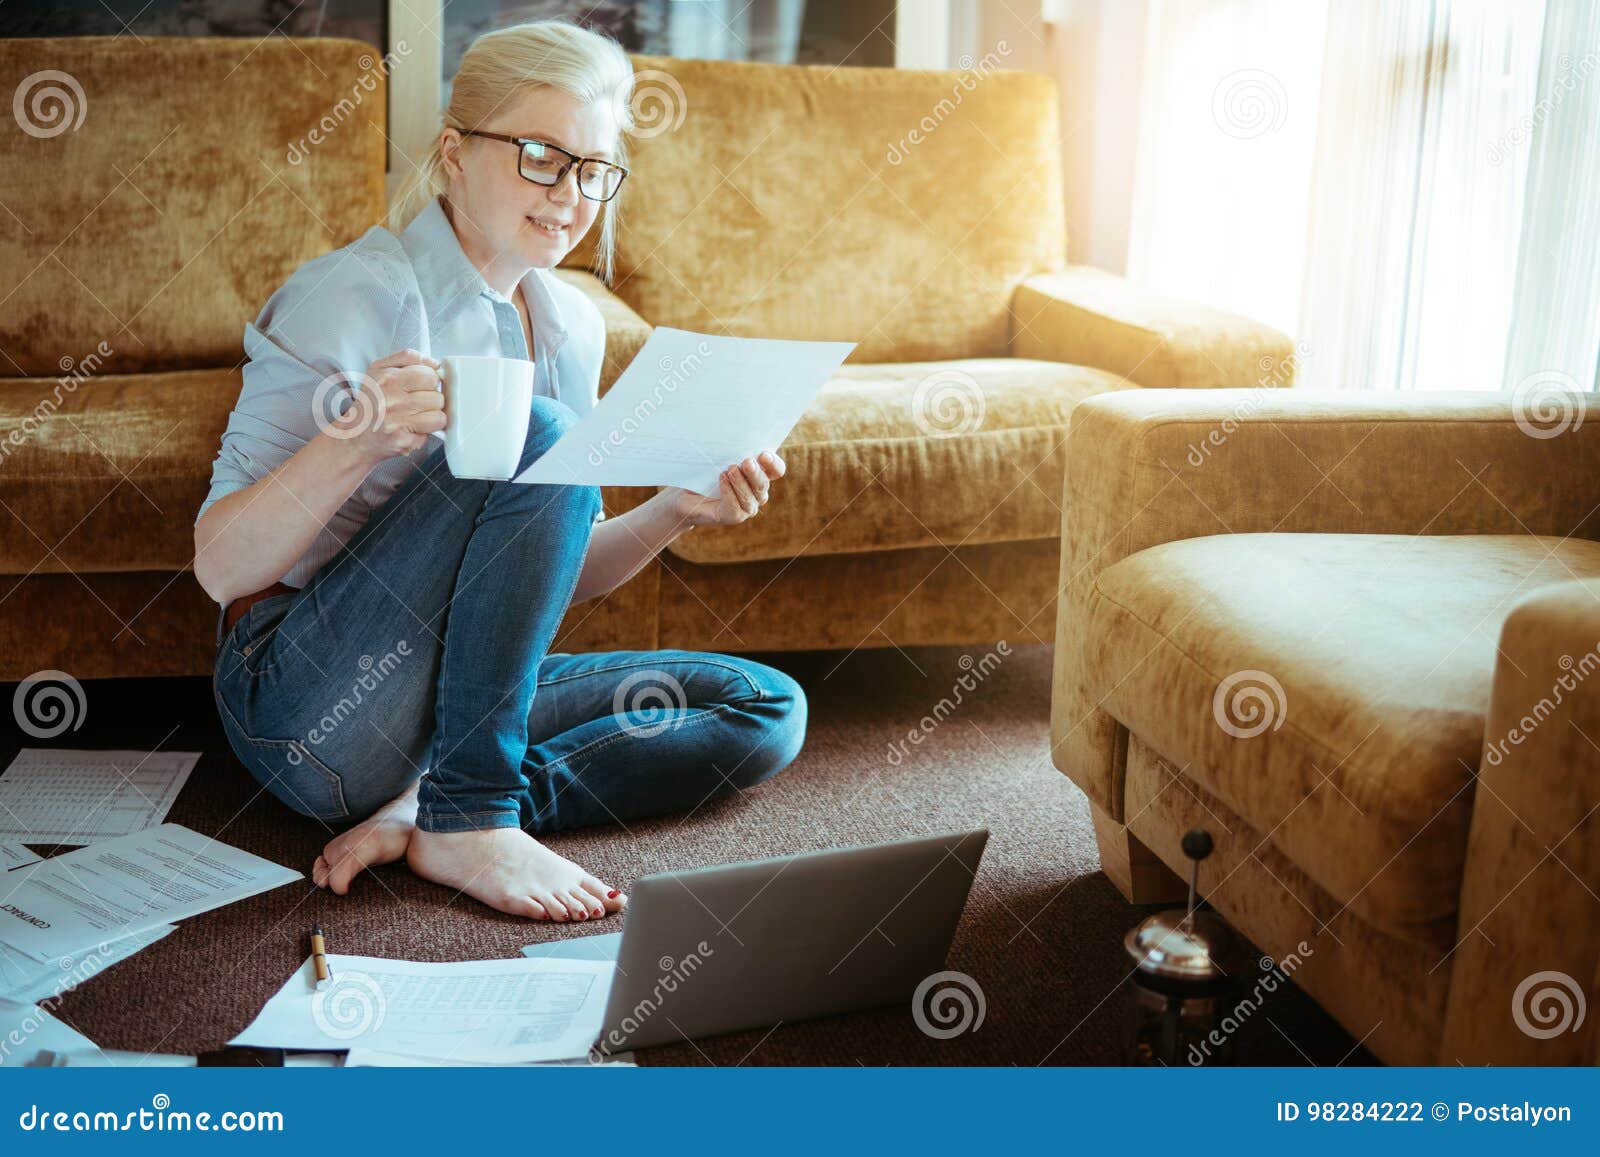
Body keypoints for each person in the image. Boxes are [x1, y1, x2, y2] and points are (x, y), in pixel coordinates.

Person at [193, 20, 805, 923]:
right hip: (303, 703)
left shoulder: (569, 326)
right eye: (539, 156)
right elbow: (217, 566)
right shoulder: (353, 295)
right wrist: (352, 441)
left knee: (763, 705)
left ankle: (431, 812)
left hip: (445, 708)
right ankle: (473, 808)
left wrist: (675, 511)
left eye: (594, 169)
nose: (571, 194)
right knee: (539, 428)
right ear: (454, 153)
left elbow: (548, 568)